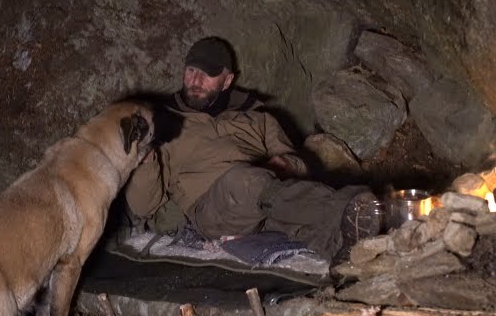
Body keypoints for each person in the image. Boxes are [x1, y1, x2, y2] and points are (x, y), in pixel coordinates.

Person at [124, 36, 381, 261]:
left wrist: (288, 163)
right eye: (191, 70)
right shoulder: (164, 125)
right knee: (245, 181)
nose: (196, 80)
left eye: (207, 73)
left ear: (227, 81)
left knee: (307, 225)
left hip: (267, 198)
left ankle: (353, 252)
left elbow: (300, 164)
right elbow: (143, 207)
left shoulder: (260, 118)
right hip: (211, 211)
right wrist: (144, 161)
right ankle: (353, 207)